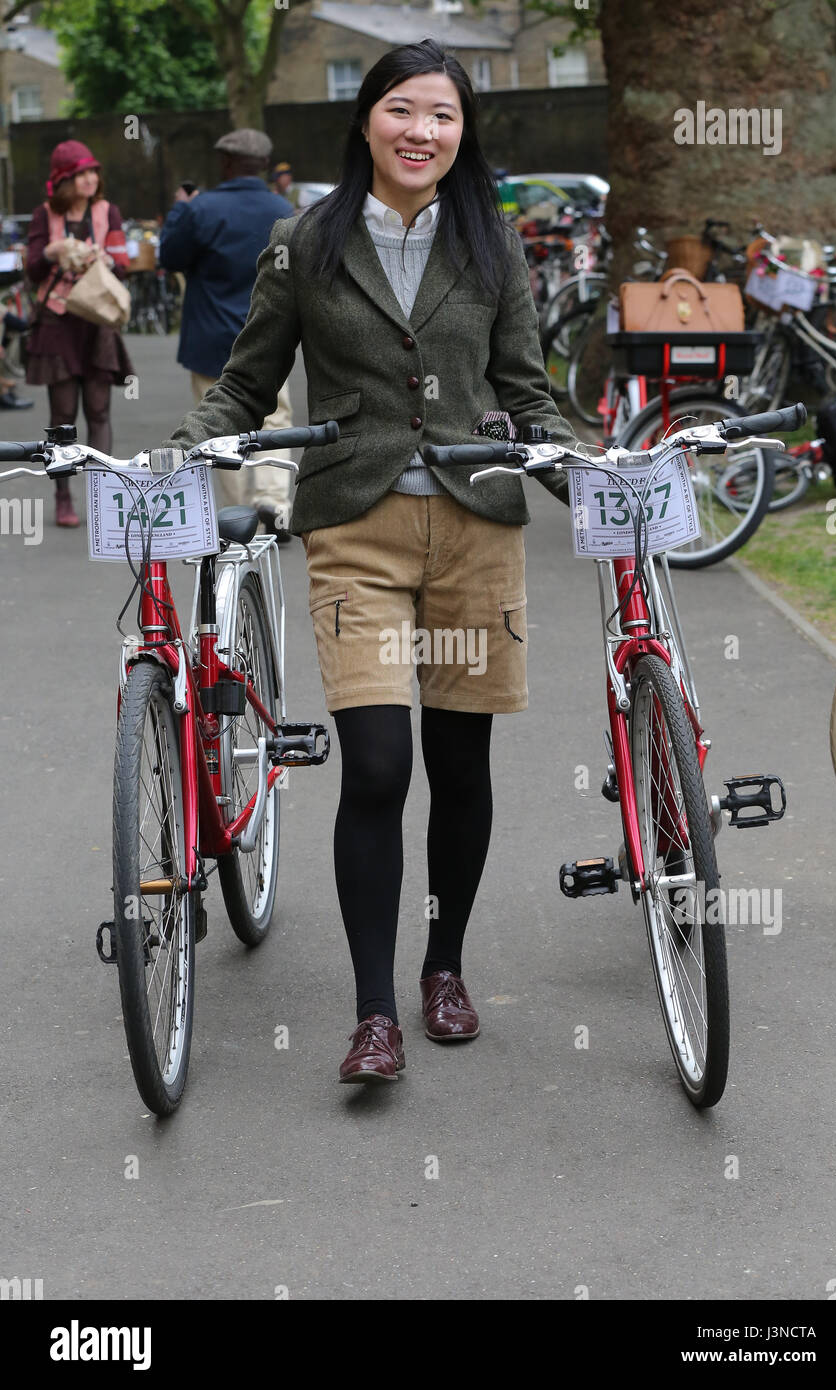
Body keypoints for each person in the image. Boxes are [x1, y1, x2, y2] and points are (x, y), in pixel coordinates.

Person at [157, 39, 581, 1086]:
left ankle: (443, 966)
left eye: (441, 114)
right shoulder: (305, 240)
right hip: (356, 524)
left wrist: (588, 474)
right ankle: (372, 1011)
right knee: (378, 766)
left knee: (461, 767)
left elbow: (526, 391)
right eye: (401, 110)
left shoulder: (493, 246)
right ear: (365, 122)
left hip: (476, 524)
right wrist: (187, 448)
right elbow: (246, 381)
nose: (420, 131)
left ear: (461, 130)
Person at [159, 129, 295, 540]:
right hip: (272, 334)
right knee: (275, 417)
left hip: (211, 335)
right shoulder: (282, 208)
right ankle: (273, 500)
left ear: (225, 164)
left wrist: (181, 209)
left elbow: (169, 256)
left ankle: (241, 513)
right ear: (266, 166)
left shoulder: (202, 209)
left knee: (219, 424)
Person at [25, 140, 133, 527]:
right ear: (65, 180)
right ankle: (63, 497)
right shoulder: (43, 215)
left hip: (97, 320)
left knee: (100, 411)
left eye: (93, 172)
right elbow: (33, 269)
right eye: (82, 173)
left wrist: (104, 259)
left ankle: (104, 497)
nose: (91, 179)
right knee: (63, 414)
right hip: (58, 323)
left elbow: (124, 263)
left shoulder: (108, 211)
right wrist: (55, 249)